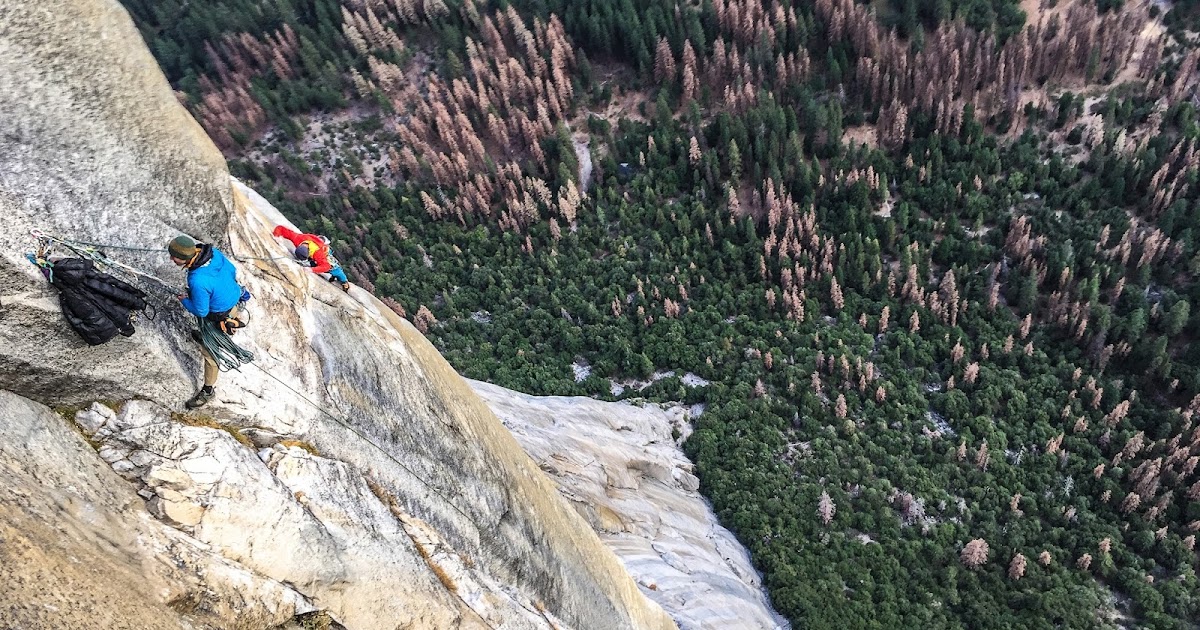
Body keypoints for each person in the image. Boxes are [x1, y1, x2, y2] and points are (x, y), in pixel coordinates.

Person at [168, 235, 247, 409]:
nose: (171, 259)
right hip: (234, 300)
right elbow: (232, 270)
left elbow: (201, 311)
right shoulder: (214, 253)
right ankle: (205, 336)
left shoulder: (197, 280)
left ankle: (208, 390)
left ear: (186, 258)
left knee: (210, 354)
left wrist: (184, 300)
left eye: (174, 257)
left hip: (219, 315)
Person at [272, 225, 351, 292]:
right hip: (316, 243)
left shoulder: (318, 253)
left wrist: (312, 270)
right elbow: (281, 228)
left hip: (323, 252)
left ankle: (345, 283)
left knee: (337, 271)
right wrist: (276, 236)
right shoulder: (299, 239)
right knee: (314, 263)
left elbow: (327, 266)